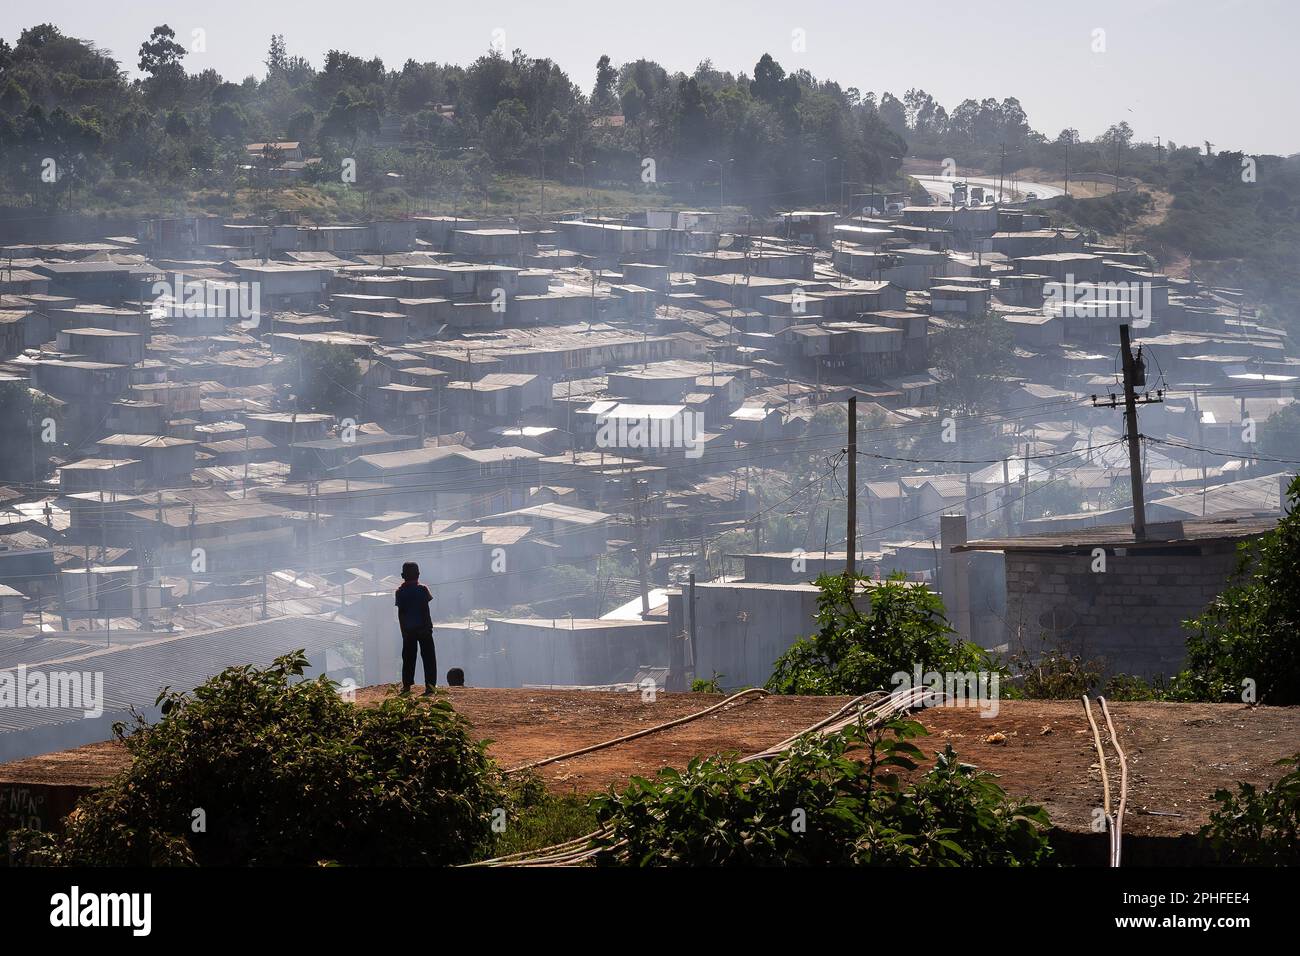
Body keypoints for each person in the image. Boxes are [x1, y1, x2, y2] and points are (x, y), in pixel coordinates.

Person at [395, 562, 436, 696]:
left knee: (408, 659)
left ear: (402, 575)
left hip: (409, 631)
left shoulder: (400, 592)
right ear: (418, 575)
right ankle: (430, 687)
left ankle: (407, 686)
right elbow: (425, 609)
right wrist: (428, 627)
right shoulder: (423, 589)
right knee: (429, 658)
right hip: (424, 629)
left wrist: (403, 632)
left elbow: (401, 613)